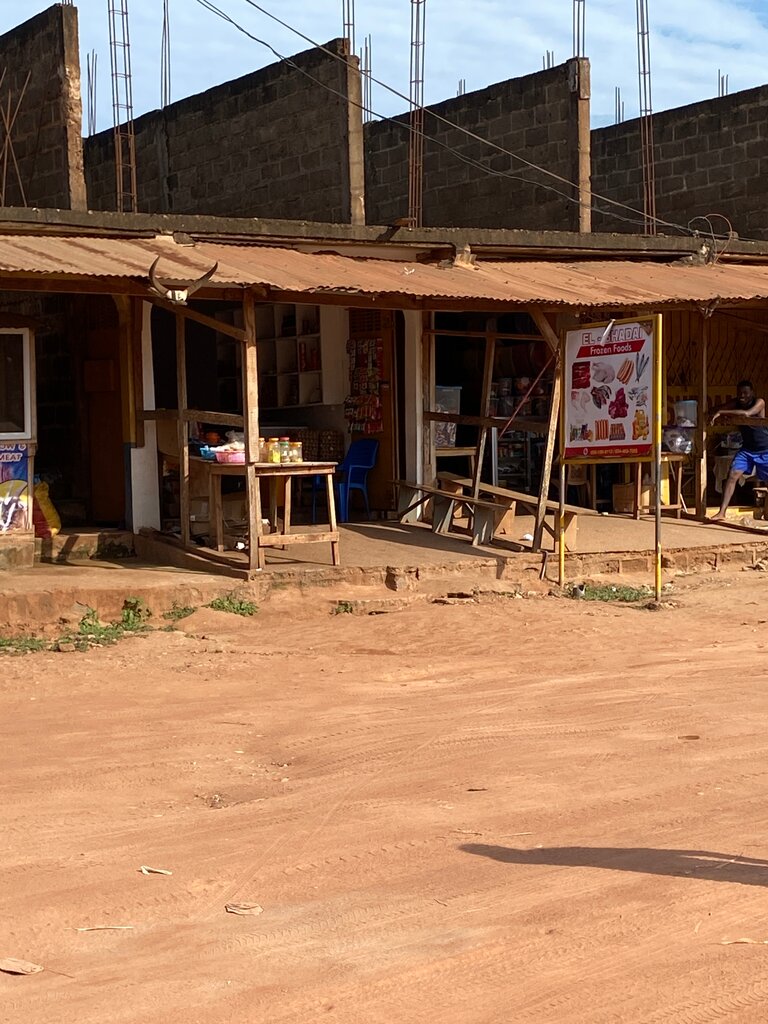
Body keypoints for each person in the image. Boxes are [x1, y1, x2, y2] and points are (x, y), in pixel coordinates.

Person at [710, 380, 768, 520]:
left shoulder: (759, 402)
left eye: (745, 393)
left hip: (764, 449)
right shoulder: (736, 403)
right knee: (732, 475)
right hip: (747, 449)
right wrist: (714, 413)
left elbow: (747, 414)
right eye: (740, 393)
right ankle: (722, 512)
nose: (742, 396)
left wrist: (722, 412)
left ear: (752, 393)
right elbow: (718, 409)